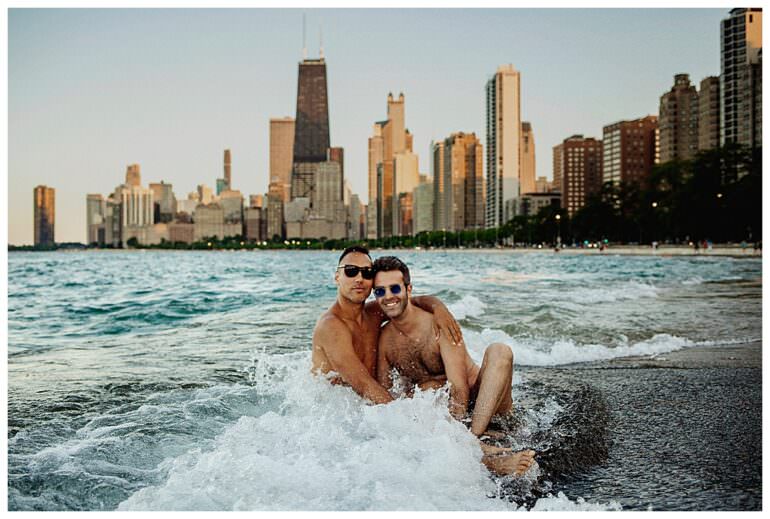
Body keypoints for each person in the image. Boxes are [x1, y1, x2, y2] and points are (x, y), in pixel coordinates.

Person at [372, 255, 535, 476]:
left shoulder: (438, 325)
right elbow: (386, 394)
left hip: (485, 400)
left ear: (408, 289)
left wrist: (460, 438)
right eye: (380, 291)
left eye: (394, 288)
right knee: (426, 389)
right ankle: (480, 452)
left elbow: (459, 388)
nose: (388, 296)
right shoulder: (385, 340)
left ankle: (473, 443)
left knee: (500, 350)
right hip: (443, 413)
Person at [311, 245, 463, 404]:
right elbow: (364, 385)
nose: (359, 279)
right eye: (351, 271)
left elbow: (410, 301)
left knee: (433, 385)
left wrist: (438, 308)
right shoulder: (330, 326)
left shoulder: (372, 314)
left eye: (367, 273)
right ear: (337, 277)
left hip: (369, 400)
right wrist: (405, 419)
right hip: (338, 410)